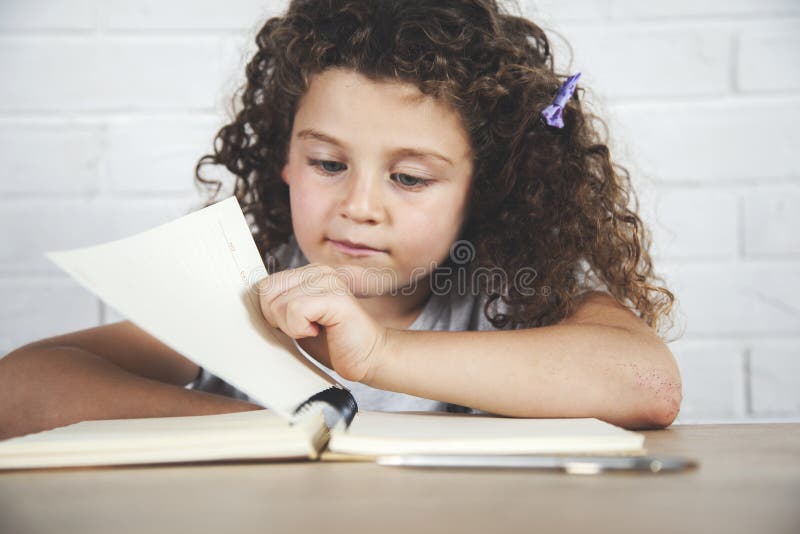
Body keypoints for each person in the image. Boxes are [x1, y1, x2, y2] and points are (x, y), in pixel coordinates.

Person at [0, 0, 682, 440]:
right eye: (328, 163)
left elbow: (648, 383)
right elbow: (18, 389)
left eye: (409, 177)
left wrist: (380, 356)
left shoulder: (510, 300)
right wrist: (274, 430)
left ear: (486, 192)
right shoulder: (240, 295)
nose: (359, 205)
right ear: (284, 163)